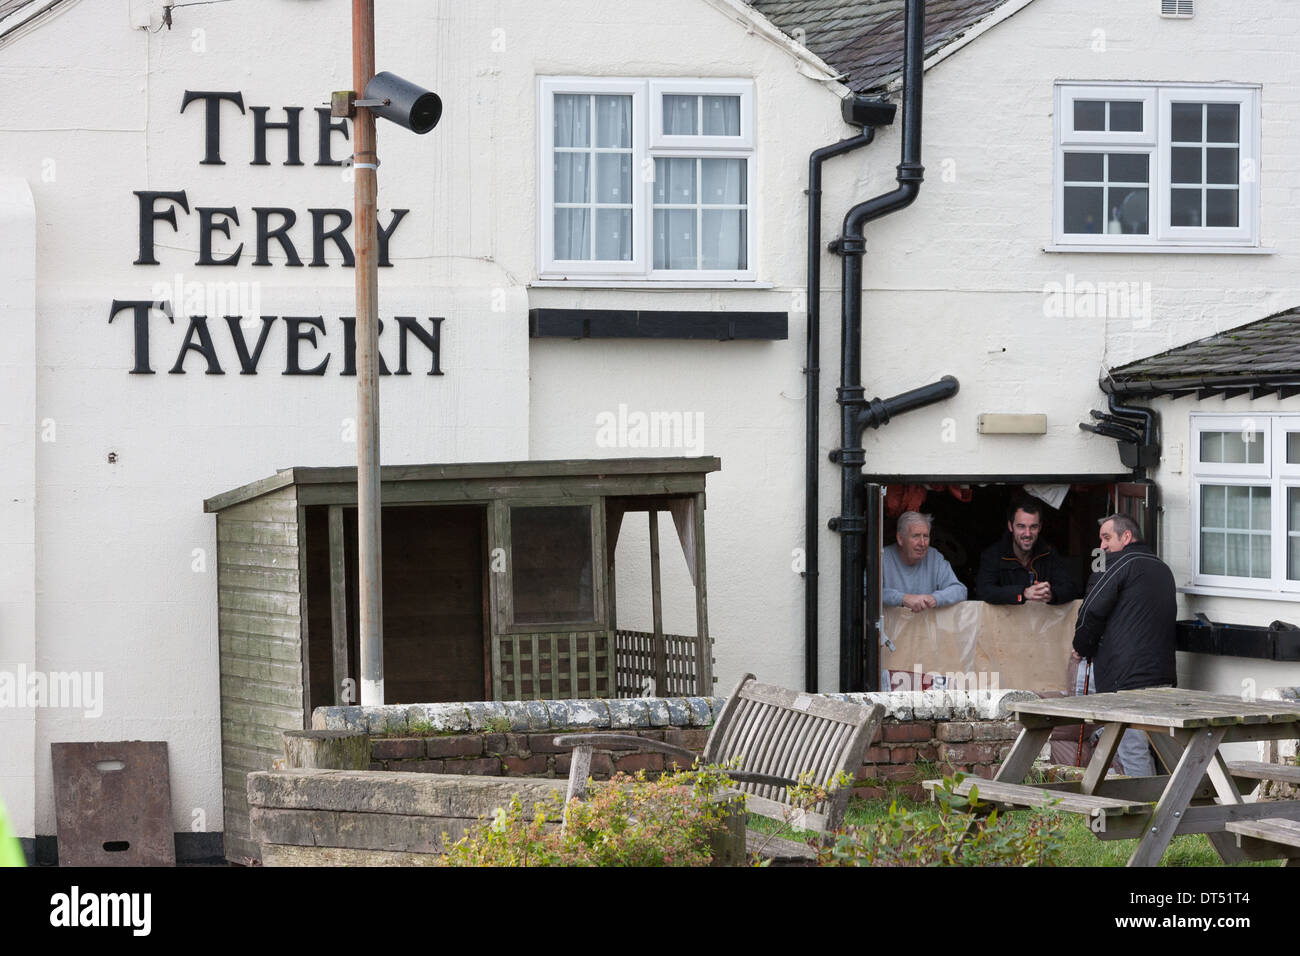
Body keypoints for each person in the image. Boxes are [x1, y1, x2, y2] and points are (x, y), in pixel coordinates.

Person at [1071, 513, 1177, 776]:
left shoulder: (1116, 564)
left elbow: (1091, 611)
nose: (1102, 546)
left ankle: (1143, 810)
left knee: (1132, 749)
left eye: (1107, 538)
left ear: (1126, 536)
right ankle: (1169, 804)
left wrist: (1081, 646)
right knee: (1162, 748)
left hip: (1125, 679)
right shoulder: (1162, 568)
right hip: (1162, 678)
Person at [976, 496, 1078, 605]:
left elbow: (1071, 588)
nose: (1028, 534)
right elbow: (984, 591)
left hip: (1042, 621)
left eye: (1033, 527)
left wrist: (1051, 594)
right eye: (1021, 526)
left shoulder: (1049, 552)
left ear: (1040, 527)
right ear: (1010, 526)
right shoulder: (993, 554)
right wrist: (1023, 593)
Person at [881, 511, 967, 611]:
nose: (922, 543)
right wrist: (903, 599)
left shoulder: (934, 557)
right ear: (900, 538)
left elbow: (960, 590)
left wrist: (935, 598)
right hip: (889, 626)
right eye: (916, 536)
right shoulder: (882, 558)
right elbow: (868, 593)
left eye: (925, 536)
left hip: (927, 626)